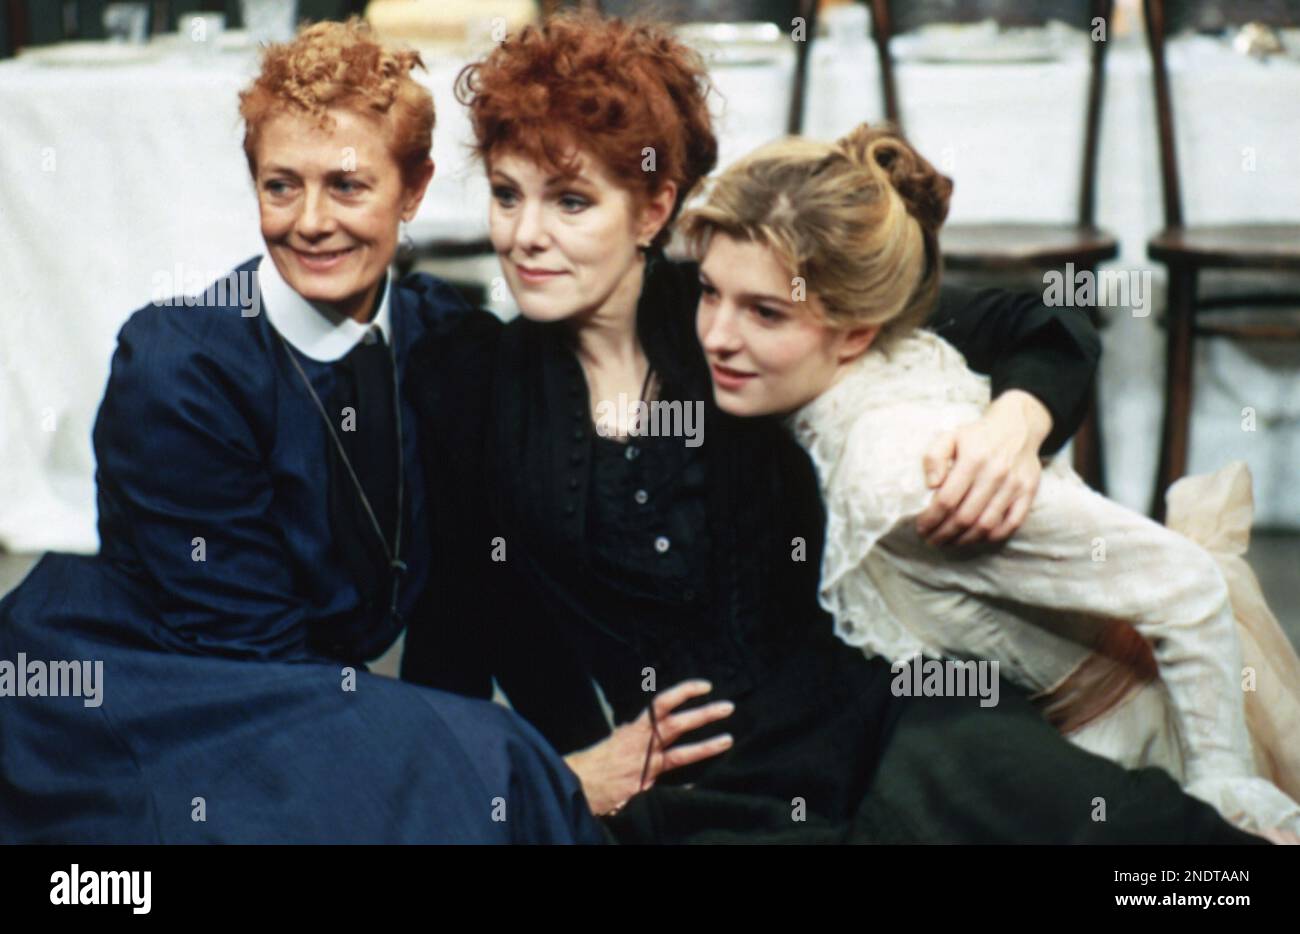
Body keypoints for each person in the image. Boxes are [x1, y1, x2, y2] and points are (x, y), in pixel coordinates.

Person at [401, 12, 1265, 843]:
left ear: (655, 207)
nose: (525, 236)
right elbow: (453, 642)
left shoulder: (740, 314)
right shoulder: (469, 385)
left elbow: (1040, 323)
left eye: (571, 202)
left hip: (881, 718)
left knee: (1145, 846)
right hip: (693, 796)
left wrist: (1014, 422)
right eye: (508, 197)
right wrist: (559, 774)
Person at [0, 19, 601, 844]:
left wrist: (582, 750)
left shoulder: (450, 340)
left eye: (348, 187)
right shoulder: (180, 367)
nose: (310, 221)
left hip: (306, 697)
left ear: (415, 189)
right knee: (489, 768)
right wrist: (496, 762)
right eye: (282, 187)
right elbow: (256, 668)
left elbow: (488, 586)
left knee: (503, 775)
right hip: (162, 694)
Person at [678, 123, 1300, 840]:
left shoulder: (903, 473)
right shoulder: (863, 381)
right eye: (708, 293)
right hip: (1012, 733)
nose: (717, 336)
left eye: (764, 312)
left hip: (1123, 752)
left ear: (854, 331)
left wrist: (1221, 794)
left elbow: (1186, 584)